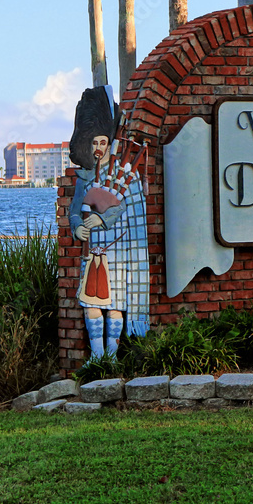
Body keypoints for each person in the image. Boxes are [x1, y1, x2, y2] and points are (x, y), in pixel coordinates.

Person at [68, 86, 150, 359]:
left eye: (103, 143)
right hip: (94, 252)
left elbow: (122, 206)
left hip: (119, 249)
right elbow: (74, 210)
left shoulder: (124, 176)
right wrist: (77, 225)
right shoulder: (84, 178)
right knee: (92, 302)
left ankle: (112, 357)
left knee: (116, 302)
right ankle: (97, 356)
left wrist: (102, 218)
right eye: (95, 143)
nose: (99, 148)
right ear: (89, 144)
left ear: (108, 143)